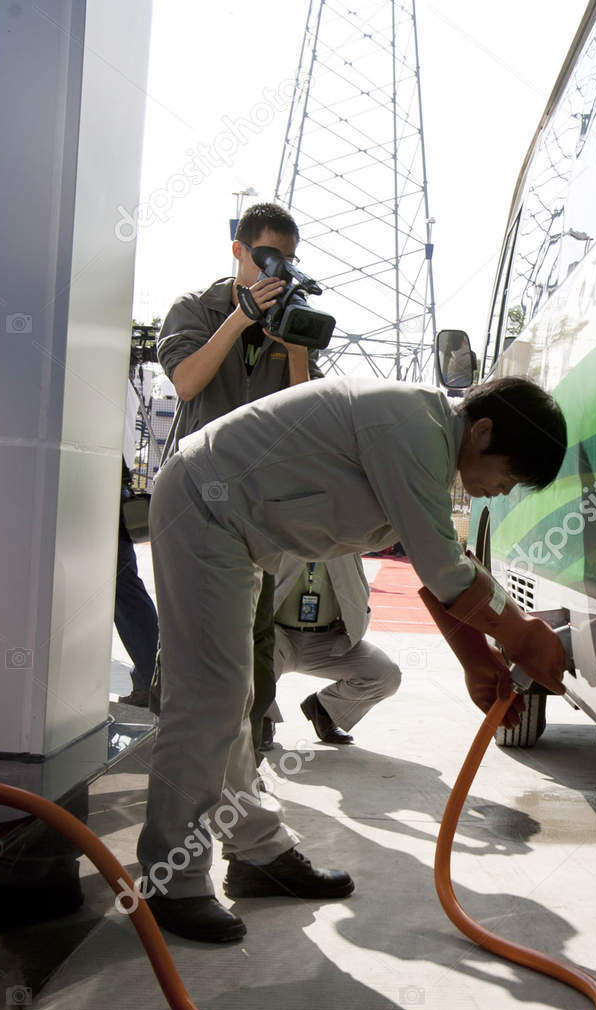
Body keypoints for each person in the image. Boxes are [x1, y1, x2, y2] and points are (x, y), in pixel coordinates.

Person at [134, 375, 567, 944]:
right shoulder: (412, 426)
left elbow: (442, 560)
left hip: (235, 532)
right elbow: (446, 572)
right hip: (204, 509)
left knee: (231, 697)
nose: (496, 492)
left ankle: (258, 851)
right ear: (482, 430)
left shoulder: (427, 444)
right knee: (208, 697)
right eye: (506, 476)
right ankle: (172, 878)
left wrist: (479, 660)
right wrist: (523, 636)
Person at [152, 200, 320, 754]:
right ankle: (172, 739)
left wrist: (295, 345)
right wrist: (240, 318)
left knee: (255, 629)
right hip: (194, 494)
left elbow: (302, 412)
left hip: (256, 503)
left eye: (287, 261)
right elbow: (186, 381)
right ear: (239, 251)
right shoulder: (194, 309)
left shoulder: (286, 318)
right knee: (186, 628)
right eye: (267, 258)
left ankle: (250, 740)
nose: (277, 272)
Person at [265, 553, 400, 746]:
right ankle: (262, 718)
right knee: (251, 652)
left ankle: (324, 709)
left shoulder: (343, 544)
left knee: (386, 675)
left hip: (327, 639)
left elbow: (359, 592)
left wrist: (350, 621)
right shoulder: (278, 537)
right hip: (279, 635)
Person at [114, 459, 160, 707]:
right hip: (108, 487)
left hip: (102, 490)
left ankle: (153, 680)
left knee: (124, 591)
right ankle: (152, 680)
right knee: (124, 590)